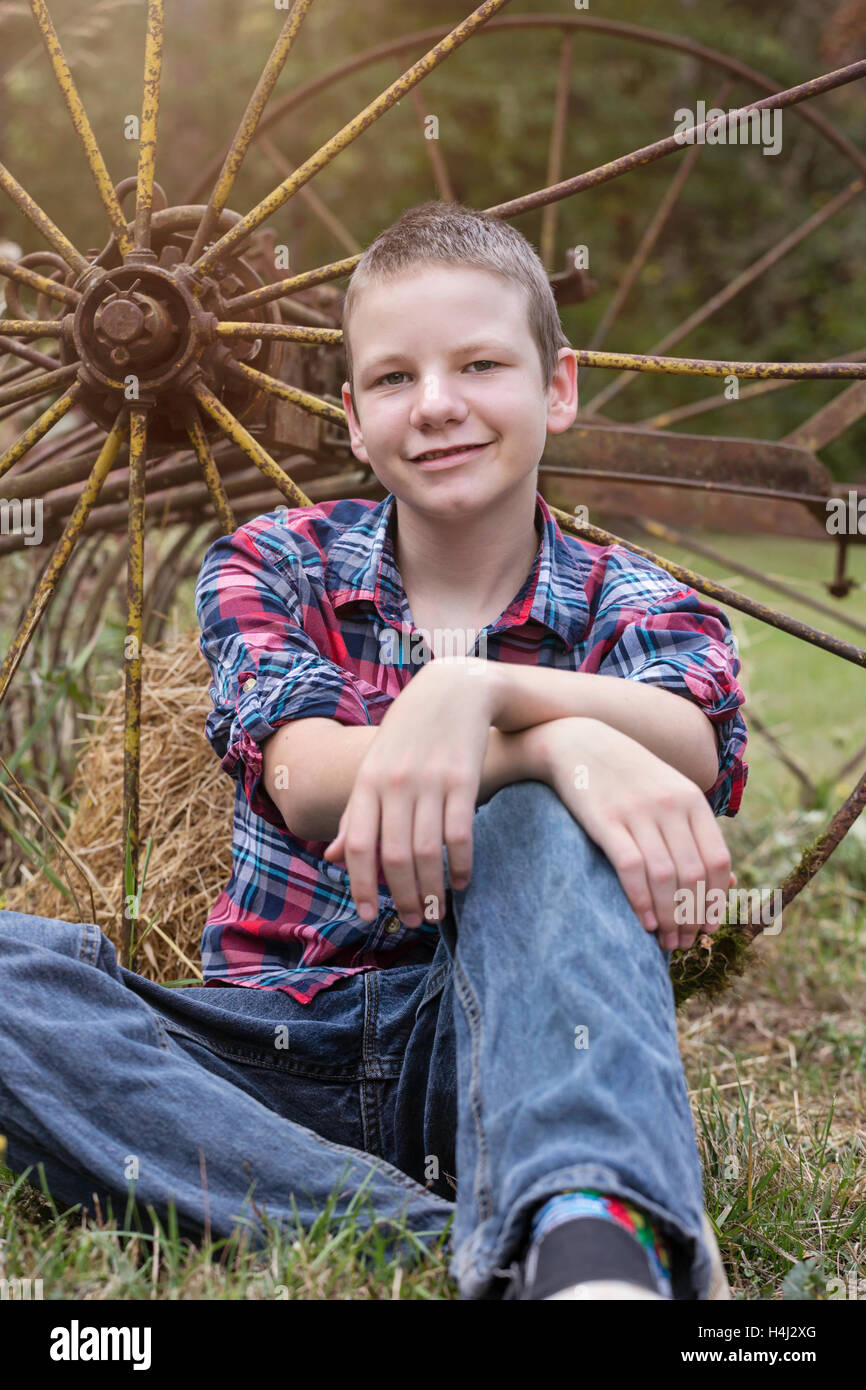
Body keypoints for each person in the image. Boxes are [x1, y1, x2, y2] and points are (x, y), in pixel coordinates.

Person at [0, 200, 747, 1301]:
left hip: (501, 1039)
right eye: (394, 379)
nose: (436, 405)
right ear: (352, 416)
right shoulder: (275, 562)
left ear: (558, 385)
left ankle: (591, 1255)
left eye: (480, 365)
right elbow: (304, 783)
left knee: (538, 826)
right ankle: (445, 1236)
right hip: (260, 1054)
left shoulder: (638, 600)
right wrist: (557, 746)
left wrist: (482, 686)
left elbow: (689, 742)